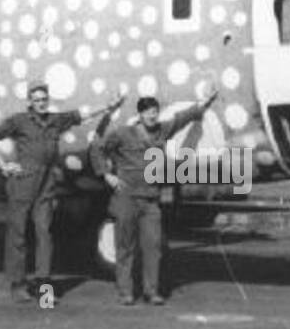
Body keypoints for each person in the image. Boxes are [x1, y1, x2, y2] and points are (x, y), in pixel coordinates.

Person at [0, 84, 123, 303]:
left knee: (44, 234)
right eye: (37, 99)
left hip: (47, 182)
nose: (41, 102)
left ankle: (44, 289)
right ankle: (18, 285)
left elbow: (81, 115)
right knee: (17, 234)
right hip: (23, 181)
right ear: (29, 102)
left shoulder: (55, 120)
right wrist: (3, 166)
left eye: (44, 99)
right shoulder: (18, 121)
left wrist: (107, 107)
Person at [91, 91, 218, 305]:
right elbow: (97, 147)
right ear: (139, 114)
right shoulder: (123, 133)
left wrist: (202, 104)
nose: (152, 116)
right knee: (125, 248)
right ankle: (126, 292)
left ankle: (151, 291)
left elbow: (180, 119)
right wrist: (106, 174)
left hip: (150, 200)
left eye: (155, 113)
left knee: (154, 247)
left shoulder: (162, 130)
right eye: (148, 113)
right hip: (126, 198)